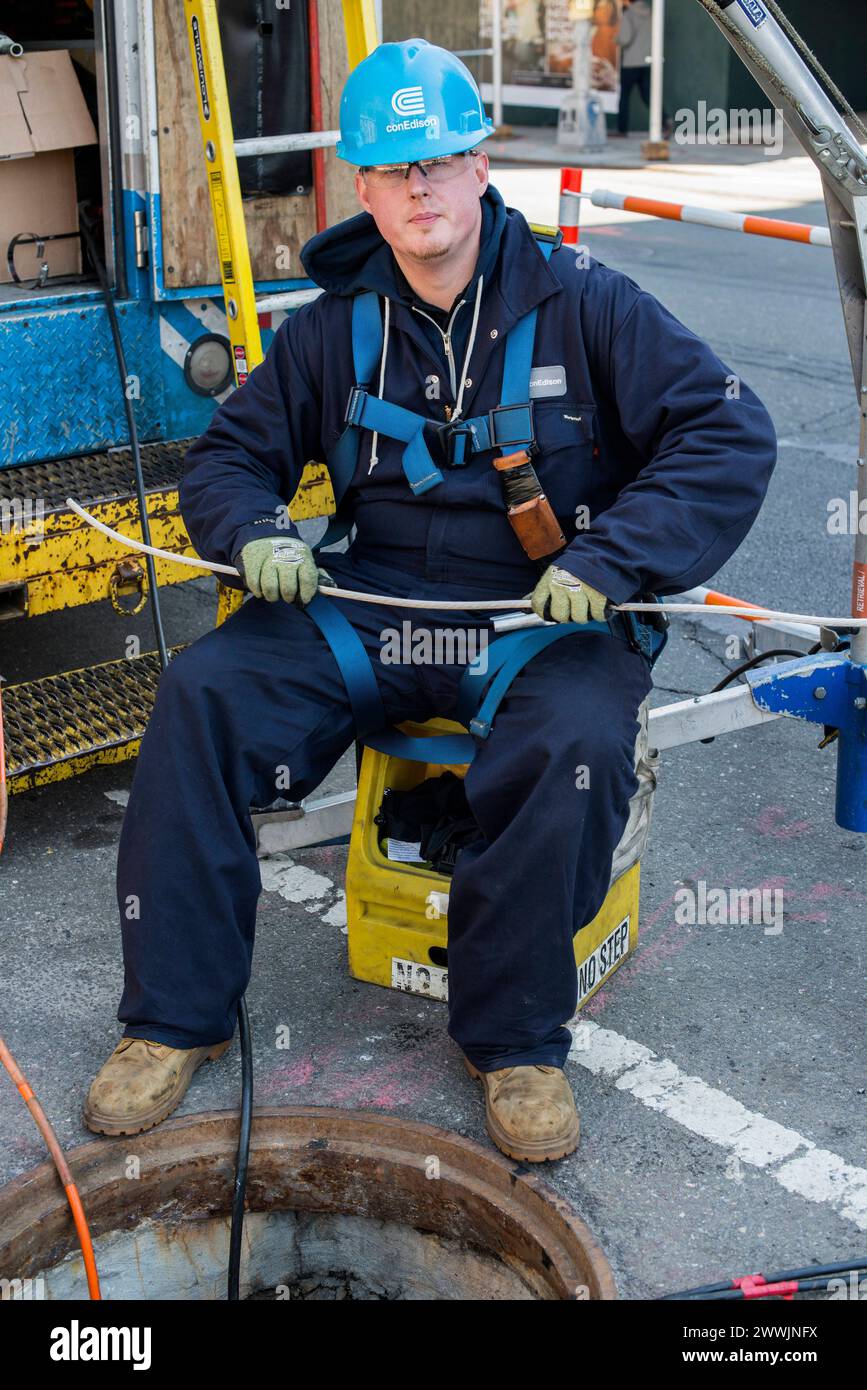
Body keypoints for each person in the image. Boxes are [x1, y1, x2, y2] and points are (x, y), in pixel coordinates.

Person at [84, 38, 776, 1163]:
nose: (420, 188)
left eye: (441, 161)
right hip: (370, 609)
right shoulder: (331, 328)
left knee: (576, 743)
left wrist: (612, 562)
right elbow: (225, 461)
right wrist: (256, 532)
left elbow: (726, 432)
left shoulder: (588, 305)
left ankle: (514, 1043)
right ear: (362, 185)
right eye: (395, 169)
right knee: (202, 696)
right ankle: (171, 1018)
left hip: (539, 623)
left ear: (481, 165)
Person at [614, 0, 671, 137]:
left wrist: (615, 39)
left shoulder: (629, 14)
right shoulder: (652, 12)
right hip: (647, 61)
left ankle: (622, 130)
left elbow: (625, 38)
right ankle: (666, 120)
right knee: (648, 97)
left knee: (624, 97)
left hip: (631, 62)